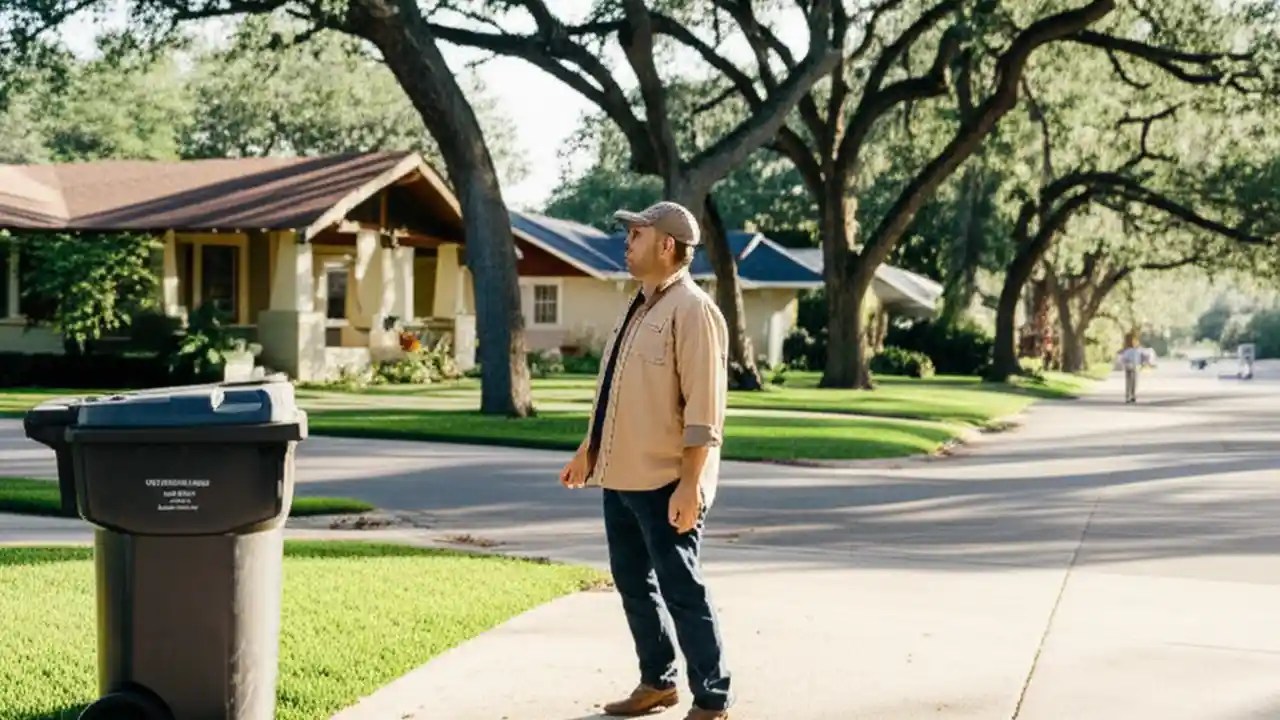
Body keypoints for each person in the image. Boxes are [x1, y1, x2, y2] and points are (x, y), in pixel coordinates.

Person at [559, 201, 733, 720]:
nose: (626, 242)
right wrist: (588, 451)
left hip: (666, 481)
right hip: (620, 476)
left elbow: (704, 411)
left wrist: (690, 485)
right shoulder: (639, 305)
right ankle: (657, 680)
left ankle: (712, 699)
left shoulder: (693, 310)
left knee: (682, 590)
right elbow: (614, 390)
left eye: (636, 234)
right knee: (634, 584)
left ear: (667, 246)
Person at [1118, 334, 1149, 404]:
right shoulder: (1137, 350)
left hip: (1128, 366)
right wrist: (1143, 363)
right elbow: (1144, 356)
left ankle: (1128, 396)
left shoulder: (1127, 350)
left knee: (1128, 382)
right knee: (1133, 382)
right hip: (1134, 366)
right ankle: (1132, 395)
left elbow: (1123, 358)